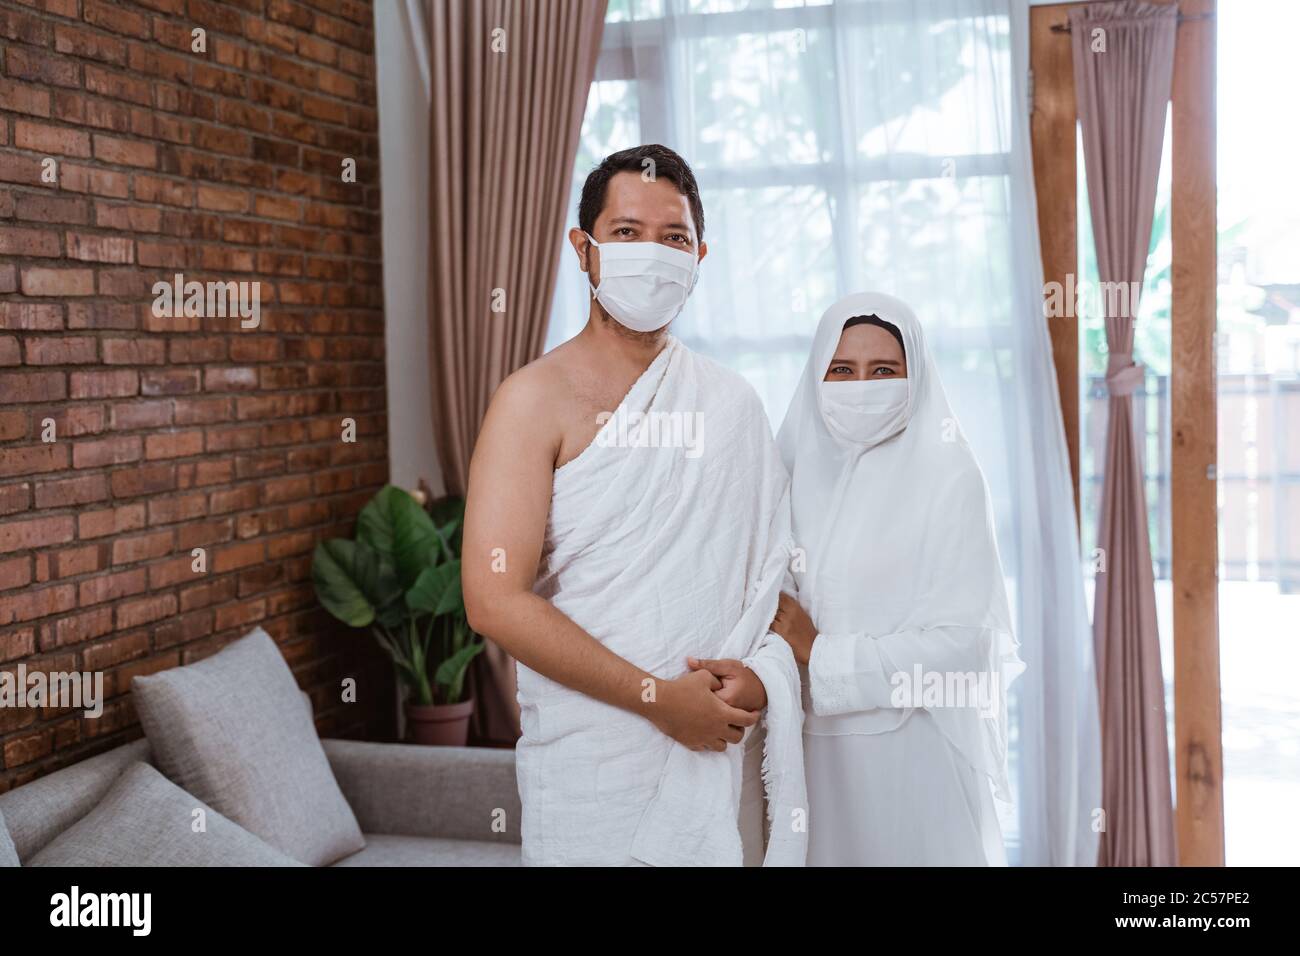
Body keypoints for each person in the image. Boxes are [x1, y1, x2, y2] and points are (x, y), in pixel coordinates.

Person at [462, 145, 806, 867]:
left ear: (700, 256)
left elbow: (776, 579)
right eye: (626, 233)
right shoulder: (531, 402)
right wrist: (659, 700)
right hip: (594, 768)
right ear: (583, 251)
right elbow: (493, 600)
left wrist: (762, 682)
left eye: (673, 238)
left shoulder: (733, 404)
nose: (652, 254)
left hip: (718, 752)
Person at [769, 292, 1025, 866]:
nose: (861, 385)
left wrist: (823, 652)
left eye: (883, 370)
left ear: (916, 377)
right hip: (804, 760)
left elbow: (966, 647)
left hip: (912, 761)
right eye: (842, 370)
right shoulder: (787, 467)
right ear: (817, 375)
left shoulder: (949, 477)